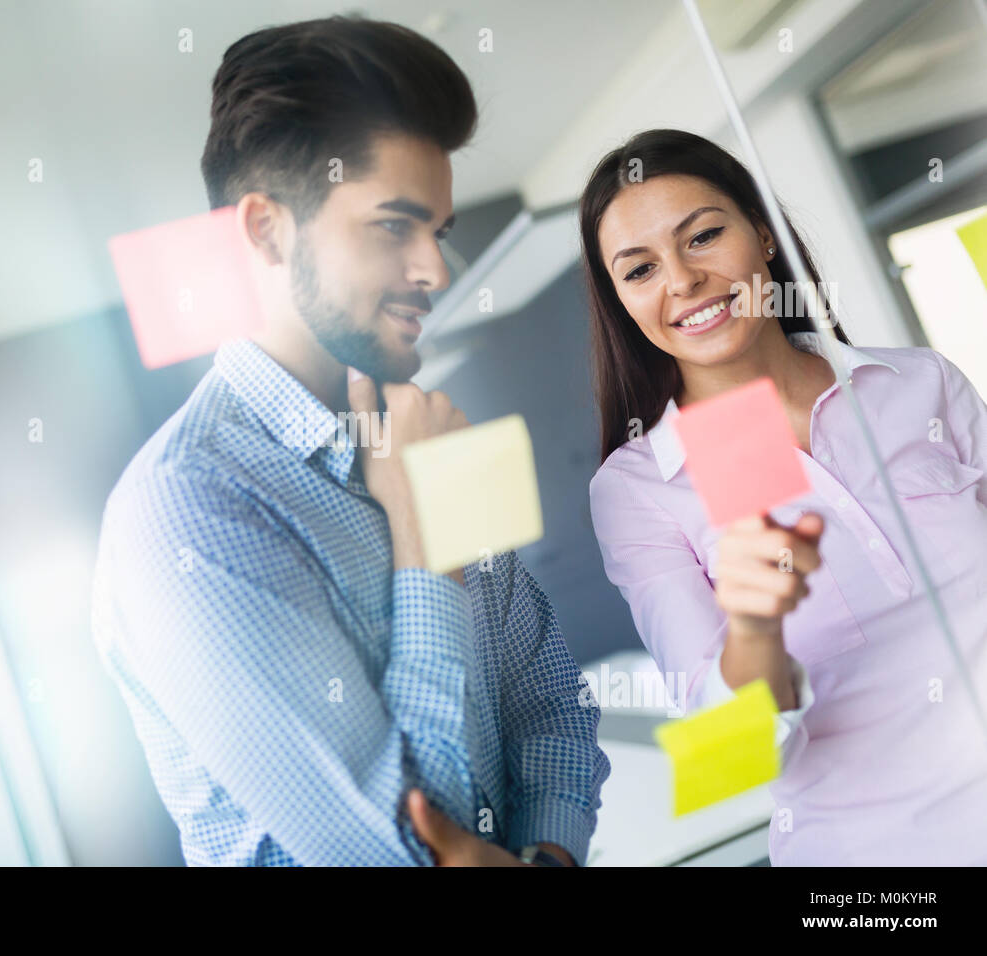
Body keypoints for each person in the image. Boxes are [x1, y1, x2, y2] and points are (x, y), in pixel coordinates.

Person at [91, 15, 609, 867]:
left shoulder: (437, 438)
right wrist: (423, 540)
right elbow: (405, 849)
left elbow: (554, 709)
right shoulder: (183, 510)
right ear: (265, 230)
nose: (436, 271)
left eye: (436, 232)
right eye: (393, 226)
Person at [583, 128, 987, 865]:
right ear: (622, 302)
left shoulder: (920, 384)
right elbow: (733, 757)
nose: (682, 280)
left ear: (763, 235)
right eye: (640, 269)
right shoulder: (637, 490)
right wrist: (754, 627)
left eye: (703, 235)